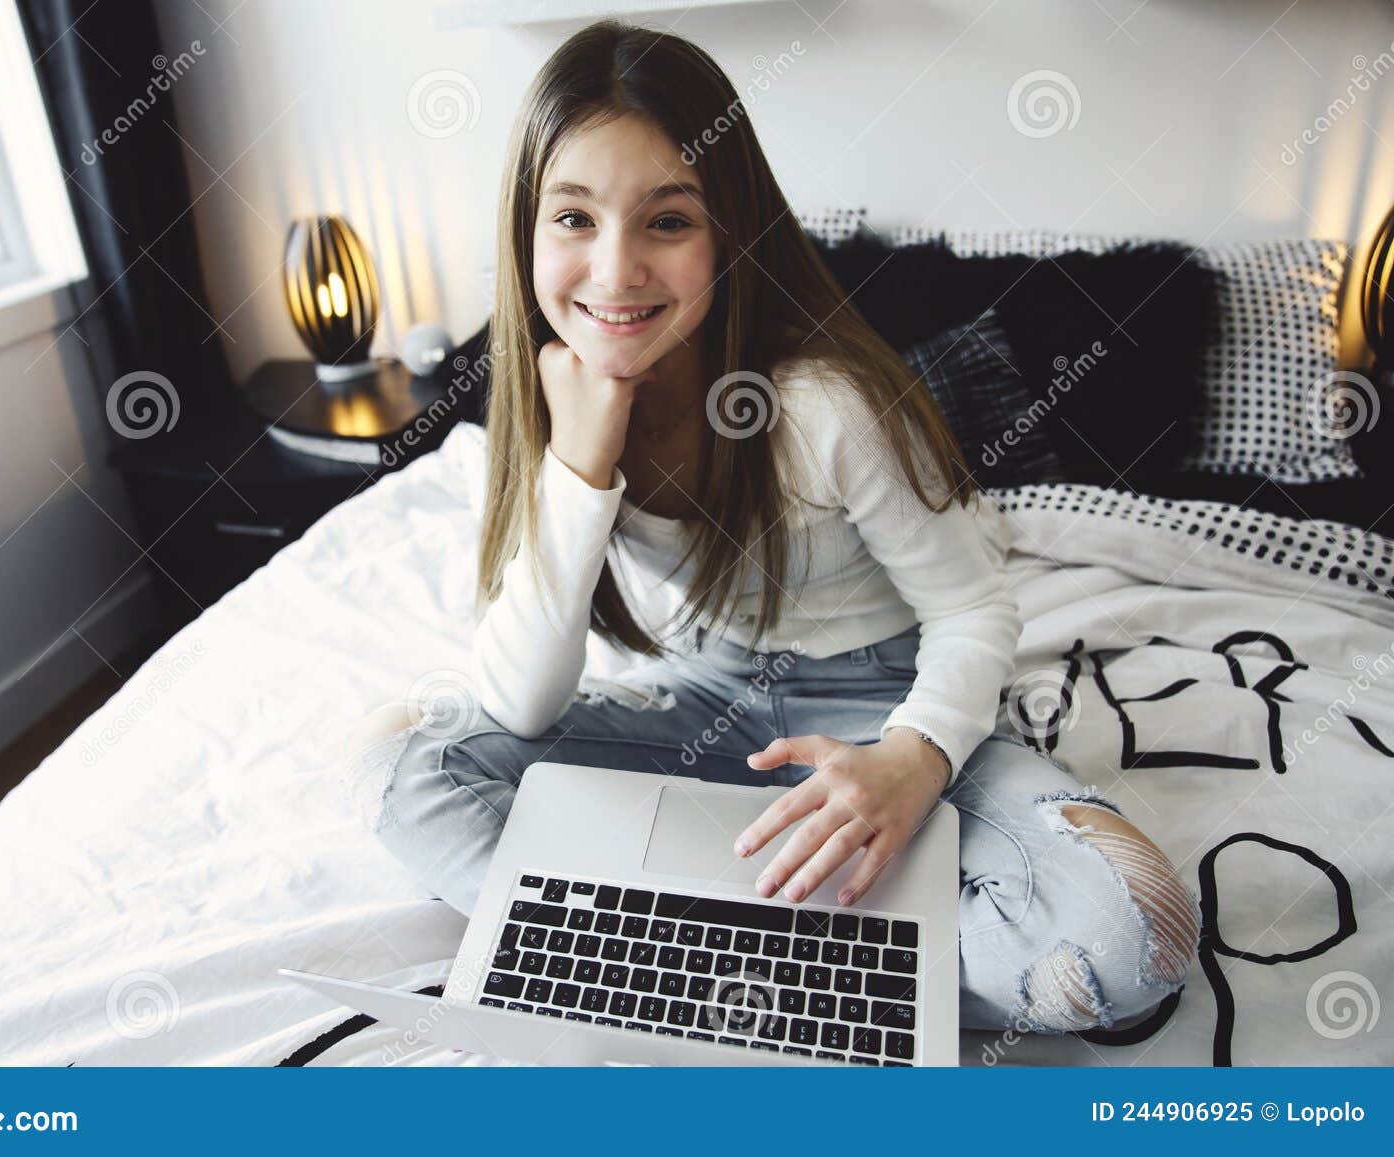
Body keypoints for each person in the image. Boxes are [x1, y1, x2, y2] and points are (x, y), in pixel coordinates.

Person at [344, 19, 1196, 1036]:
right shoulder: (548, 399)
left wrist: (914, 761)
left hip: (889, 708)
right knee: (401, 765)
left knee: (1135, 932)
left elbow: (973, 606)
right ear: (524, 231)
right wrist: (581, 459)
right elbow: (524, 700)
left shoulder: (826, 406)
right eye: (572, 217)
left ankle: (679, 954)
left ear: (730, 231)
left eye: (666, 221)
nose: (615, 273)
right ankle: (738, 960)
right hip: (711, 702)